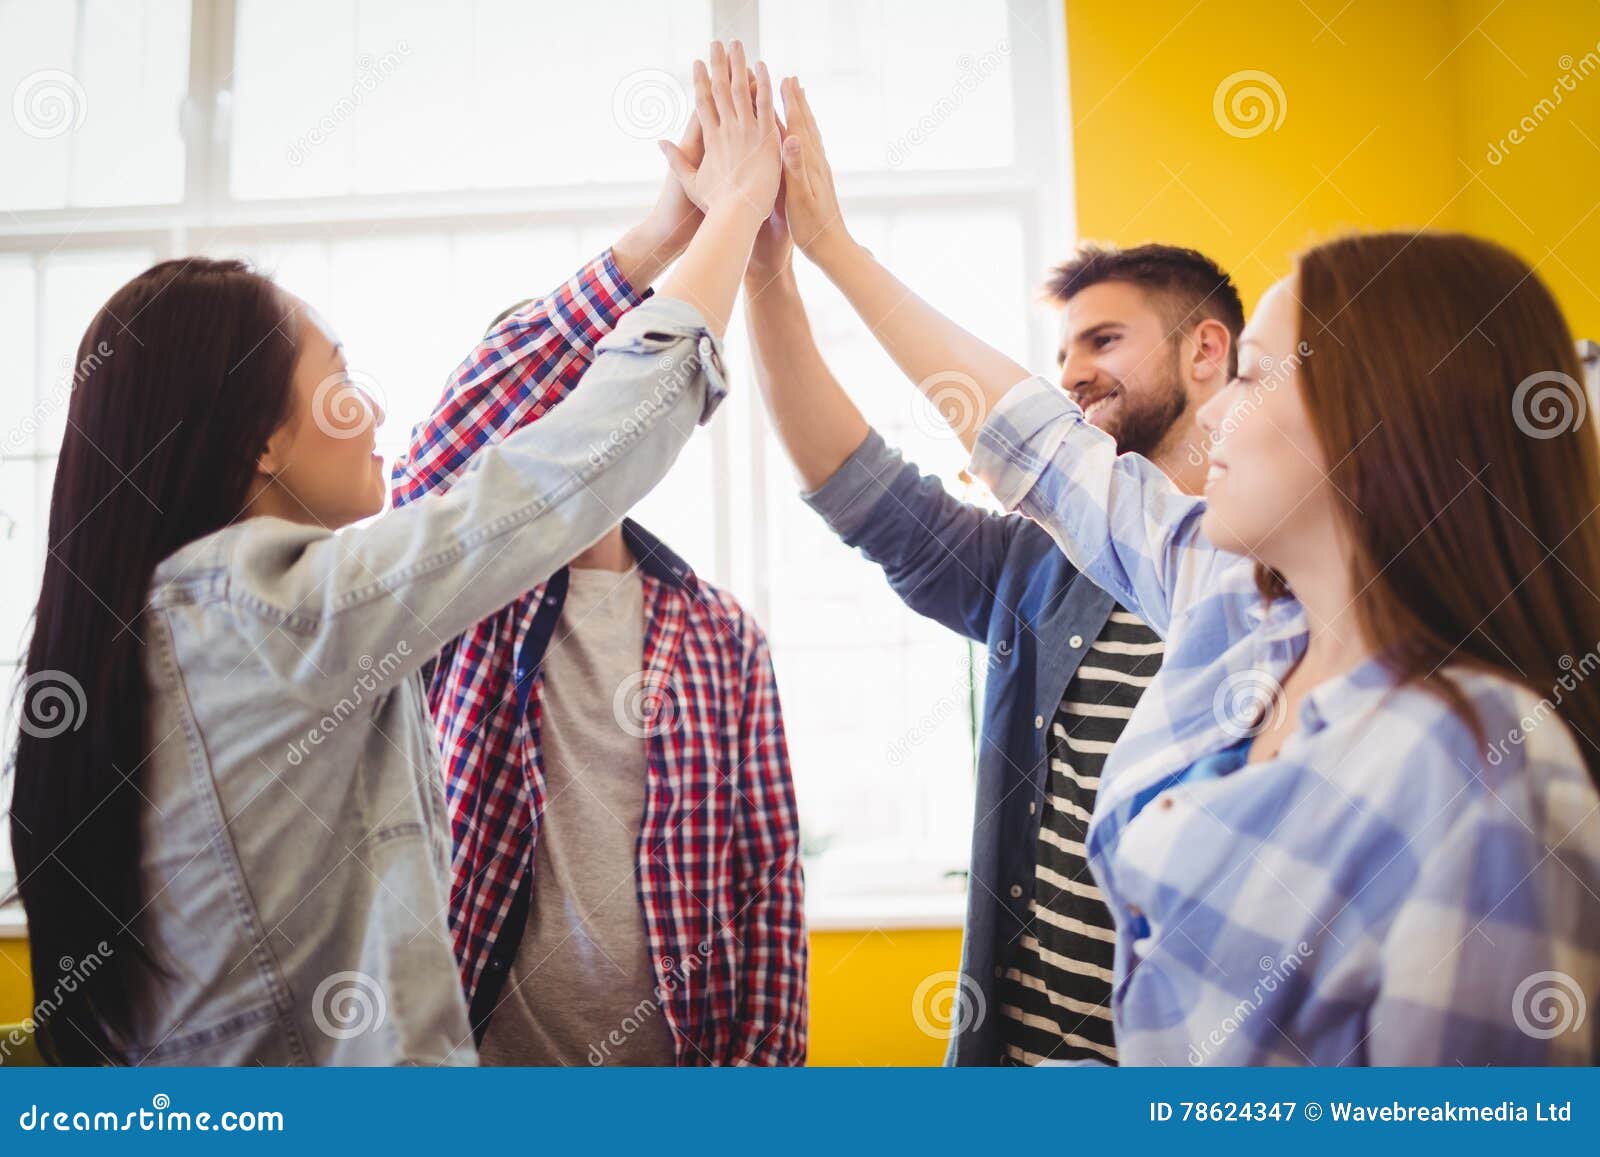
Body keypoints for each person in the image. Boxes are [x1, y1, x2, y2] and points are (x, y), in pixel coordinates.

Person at [772, 77, 1600, 1064]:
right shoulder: (1234, 606)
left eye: (1250, 375)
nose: (1216, 416)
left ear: (1368, 424)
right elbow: (1034, 442)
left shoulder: (1484, 767)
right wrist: (822, 245)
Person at [6, 44, 783, 1066]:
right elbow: (559, 470)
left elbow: (489, 456)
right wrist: (733, 213)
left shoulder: (185, 616)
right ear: (261, 440)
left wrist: (662, 233)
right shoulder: (277, 613)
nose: (373, 410)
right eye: (340, 380)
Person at [743, 188, 1241, 1059]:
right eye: (1062, 351)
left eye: (1105, 339)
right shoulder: (1036, 562)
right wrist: (768, 281)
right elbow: (859, 490)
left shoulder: (1284, 572)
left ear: (1207, 351)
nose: (1073, 372)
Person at [393, 42, 805, 1067]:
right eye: (546, 410)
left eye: (597, 396)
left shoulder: (721, 634)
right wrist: (681, 228)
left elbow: (766, 880)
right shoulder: (454, 599)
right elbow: (440, 451)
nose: (576, 431)